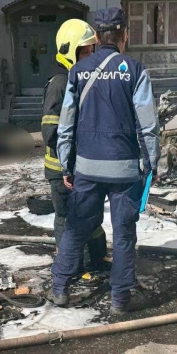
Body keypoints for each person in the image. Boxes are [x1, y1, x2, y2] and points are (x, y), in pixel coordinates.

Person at [49, 7, 160, 314]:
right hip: (124, 171)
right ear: (126, 34)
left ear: (96, 37)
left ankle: (59, 287)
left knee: (76, 227)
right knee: (123, 234)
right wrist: (151, 165)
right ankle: (120, 299)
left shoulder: (78, 71)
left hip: (86, 167)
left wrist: (65, 165)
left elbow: (66, 124)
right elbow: (148, 126)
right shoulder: (135, 70)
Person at [41, 19, 108, 269]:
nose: (90, 55)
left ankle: (98, 259)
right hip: (62, 171)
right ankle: (70, 266)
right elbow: (50, 131)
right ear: (70, 51)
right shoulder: (60, 84)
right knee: (67, 219)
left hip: (81, 168)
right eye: (85, 51)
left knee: (90, 217)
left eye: (92, 50)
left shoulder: (79, 80)